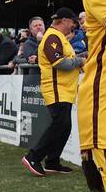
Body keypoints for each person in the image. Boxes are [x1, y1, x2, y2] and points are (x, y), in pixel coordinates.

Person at [23, 9, 85, 176]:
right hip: (57, 88)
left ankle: (52, 161)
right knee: (60, 125)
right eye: (72, 23)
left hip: (64, 89)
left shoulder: (58, 37)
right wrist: (80, 60)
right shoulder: (52, 36)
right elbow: (59, 63)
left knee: (64, 127)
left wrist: (81, 57)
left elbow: (67, 60)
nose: (73, 27)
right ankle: (33, 156)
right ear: (64, 20)